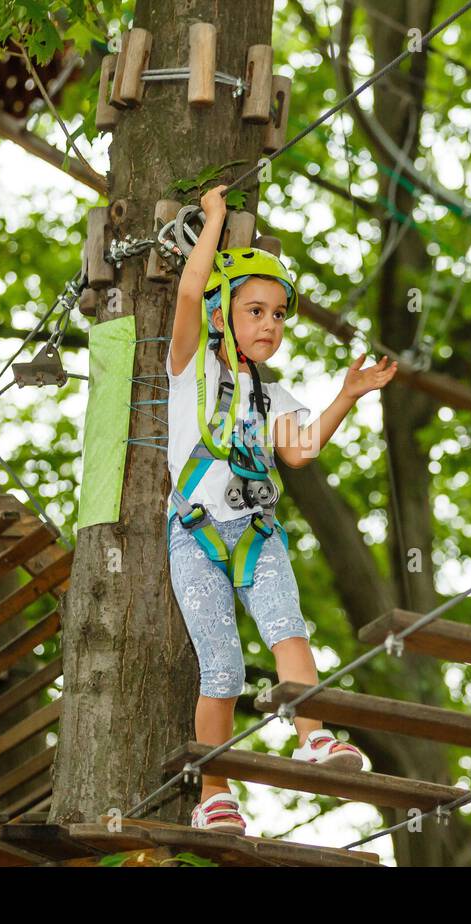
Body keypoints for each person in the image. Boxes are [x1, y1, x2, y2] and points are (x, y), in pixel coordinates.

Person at [165, 184, 398, 834]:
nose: (270, 324)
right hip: (195, 532)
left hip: (256, 529)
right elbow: (188, 293)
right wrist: (212, 222)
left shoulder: (273, 395)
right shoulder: (190, 371)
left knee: (288, 629)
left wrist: (348, 394)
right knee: (223, 668)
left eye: (278, 315)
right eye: (255, 311)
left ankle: (314, 735)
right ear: (221, 317)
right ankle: (215, 792)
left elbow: (302, 451)